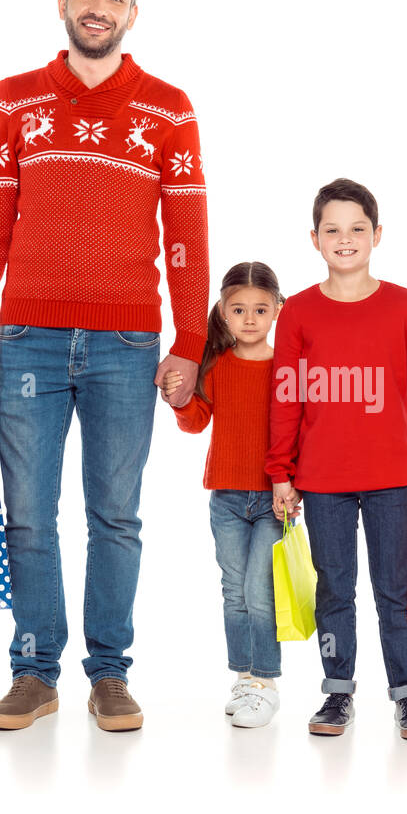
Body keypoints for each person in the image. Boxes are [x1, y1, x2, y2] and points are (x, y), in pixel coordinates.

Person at [0, 0, 209, 732]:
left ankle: (110, 673)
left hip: (127, 344)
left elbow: (186, 237)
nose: (99, 6)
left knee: (115, 516)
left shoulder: (169, 109)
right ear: (61, 2)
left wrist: (191, 341)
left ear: (134, 13)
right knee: (28, 516)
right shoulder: (15, 101)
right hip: (26, 337)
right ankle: (34, 671)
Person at [267, 178, 407, 740]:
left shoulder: (402, 304)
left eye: (356, 229)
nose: (344, 239)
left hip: (392, 476)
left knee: (397, 592)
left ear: (376, 235)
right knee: (334, 590)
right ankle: (337, 692)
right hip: (322, 481)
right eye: (332, 230)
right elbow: (287, 396)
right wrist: (281, 471)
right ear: (314, 239)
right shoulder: (297, 311)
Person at [164, 263, 287, 728]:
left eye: (260, 309)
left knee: (260, 590)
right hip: (227, 498)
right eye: (239, 310)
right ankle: (244, 676)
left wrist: (295, 485)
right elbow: (197, 420)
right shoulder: (216, 365)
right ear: (223, 311)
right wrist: (179, 399)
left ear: (277, 309)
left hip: (275, 499)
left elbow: (301, 430)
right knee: (234, 591)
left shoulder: (287, 368)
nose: (250, 319)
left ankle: (267, 682)